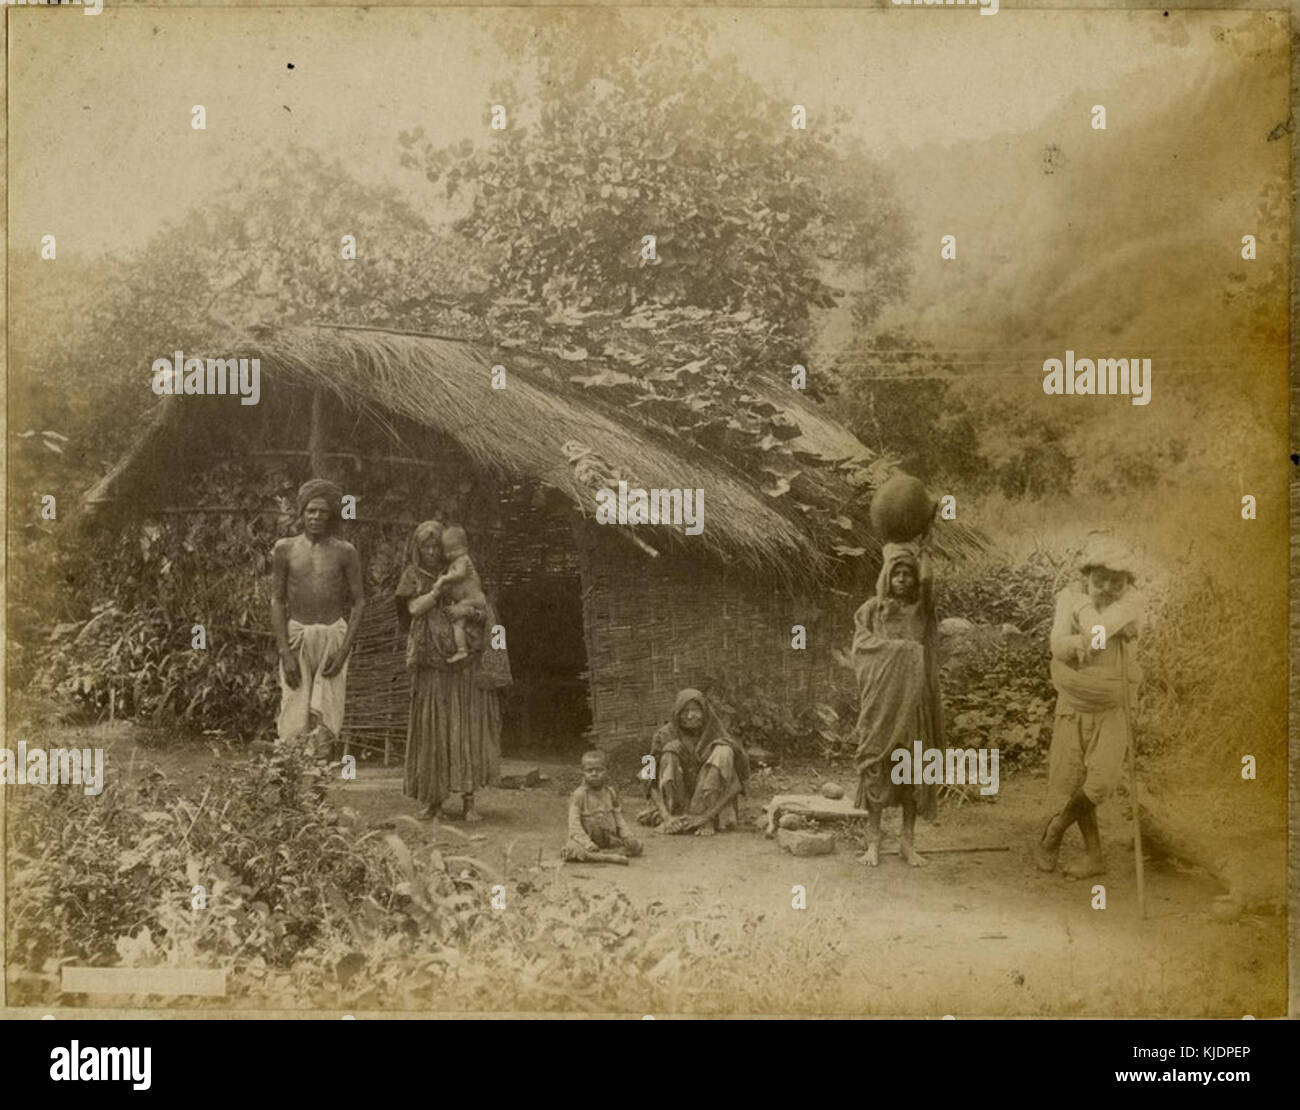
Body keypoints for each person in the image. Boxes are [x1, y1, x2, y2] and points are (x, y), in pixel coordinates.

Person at [1035, 535, 1145, 879]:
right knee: (1074, 778)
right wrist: (1072, 644)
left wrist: (1082, 610)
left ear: (1128, 583)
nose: (1108, 589)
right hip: (1075, 698)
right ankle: (1094, 857)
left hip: (1113, 702)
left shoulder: (1131, 603)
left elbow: (1097, 633)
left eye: (1117, 582)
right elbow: (1056, 645)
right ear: (1087, 577)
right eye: (1099, 581)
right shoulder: (1067, 597)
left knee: (1101, 780)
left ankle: (1054, 830)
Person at [394, 519, 510, 822]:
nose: (432, 551)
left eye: (436, 546)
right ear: (418, 549)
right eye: (426, 546)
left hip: (463, 666)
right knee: (434, 731)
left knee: (464, 729)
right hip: (432, 668)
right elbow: (413, 609)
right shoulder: (413, 576)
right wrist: (436, 593)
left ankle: (469, 802)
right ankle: (434, 802)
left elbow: (483, 608)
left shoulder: (461, 570)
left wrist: (464, 610)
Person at [850, 541, 944, 867]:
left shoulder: (920, 610)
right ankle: (873, 842)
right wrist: (901, 651)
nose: (903, 579)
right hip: (881, 707)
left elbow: (930, 585)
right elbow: (861, 649)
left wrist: (925, 555)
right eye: (897, 573)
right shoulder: (871, 611)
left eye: (908, 574)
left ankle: (907, 842)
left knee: (912, 772)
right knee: (876, 770)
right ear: (886, 576)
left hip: (913, 703)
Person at [270, 478, 364, 755]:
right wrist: (284, 651)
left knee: (327, 717)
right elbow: (277, 600)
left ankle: (317, 791)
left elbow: (359, 602)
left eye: (323, 511)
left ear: (332, 514)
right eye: (311, 510)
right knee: (293, 714)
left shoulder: (345, 551)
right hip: (297, 634)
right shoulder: (284, 548)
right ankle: (291, 786)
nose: (316, 517)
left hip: (332, 635)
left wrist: (344, 649)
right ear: (301, 513)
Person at [639, 688, 750, 836]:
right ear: (677, 713)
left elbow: (736, 785)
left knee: (724, 750)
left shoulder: (717, 733)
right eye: (684, 711)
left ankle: (707, 821)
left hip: (711, 810)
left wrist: (706, 816)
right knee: (669, 752)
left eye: (696, 710)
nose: (690, 716)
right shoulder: (663, 735)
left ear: (704, 712)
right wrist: (666, 817)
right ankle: (675, 819)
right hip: (677, 807)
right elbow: (648, 778)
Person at [560, 751, 643, 863]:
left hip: (608, 839)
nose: (594, 774)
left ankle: (603, 854)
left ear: (606, 771)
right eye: (589, 770)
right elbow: (574, 825)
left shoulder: (610, 793)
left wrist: (627, 836)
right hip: (585, 840)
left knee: (637, 845)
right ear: (583, 772)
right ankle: (607, 857)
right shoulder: (579, 794)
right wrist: (587, 843)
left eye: (599, 770)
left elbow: (619, 819)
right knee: (571, 849)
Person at [430, 525, 487, 664]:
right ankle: (461, 650)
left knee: (458, 624)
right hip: (465, 603)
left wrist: (443, 579)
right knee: (457, 625)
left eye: (455, 549)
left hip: (471, 602)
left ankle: (462, 650)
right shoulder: (452, 564)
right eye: (447, 550)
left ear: (466, 547)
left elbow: (459, 575)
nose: (450, 554)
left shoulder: (463, 560)